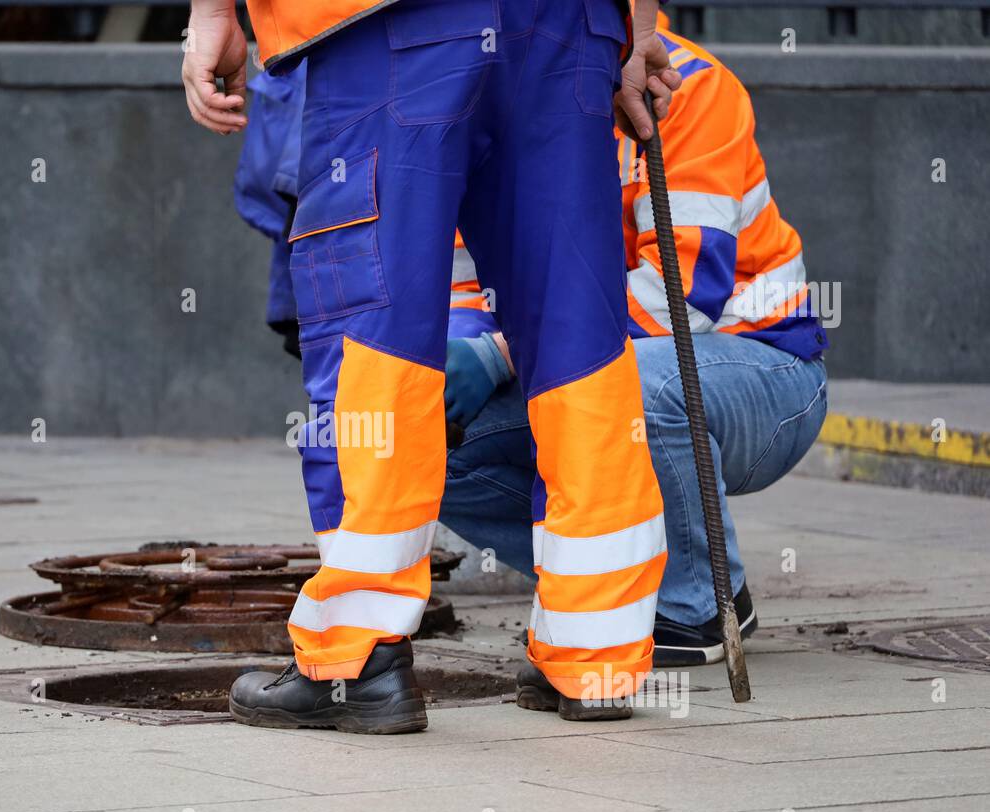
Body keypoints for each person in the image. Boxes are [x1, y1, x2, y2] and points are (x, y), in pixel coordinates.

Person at [186, 0, 681, 731]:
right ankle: (596, 655)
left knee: (375, 329)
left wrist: (210, 14)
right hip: (565, 21)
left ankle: (360, 657)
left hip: (389, 24)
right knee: (577, 331)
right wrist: (636, 28)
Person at [438, 19, 829, 670]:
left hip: (763, 365)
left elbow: (684, 297)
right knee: (433, 438)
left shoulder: (689, 86)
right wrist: (456, 359)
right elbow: (467, 279)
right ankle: (607, 586)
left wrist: (502, 354)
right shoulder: (495, 92)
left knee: (636, 382)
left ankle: (698, 601)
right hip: (585, 357)